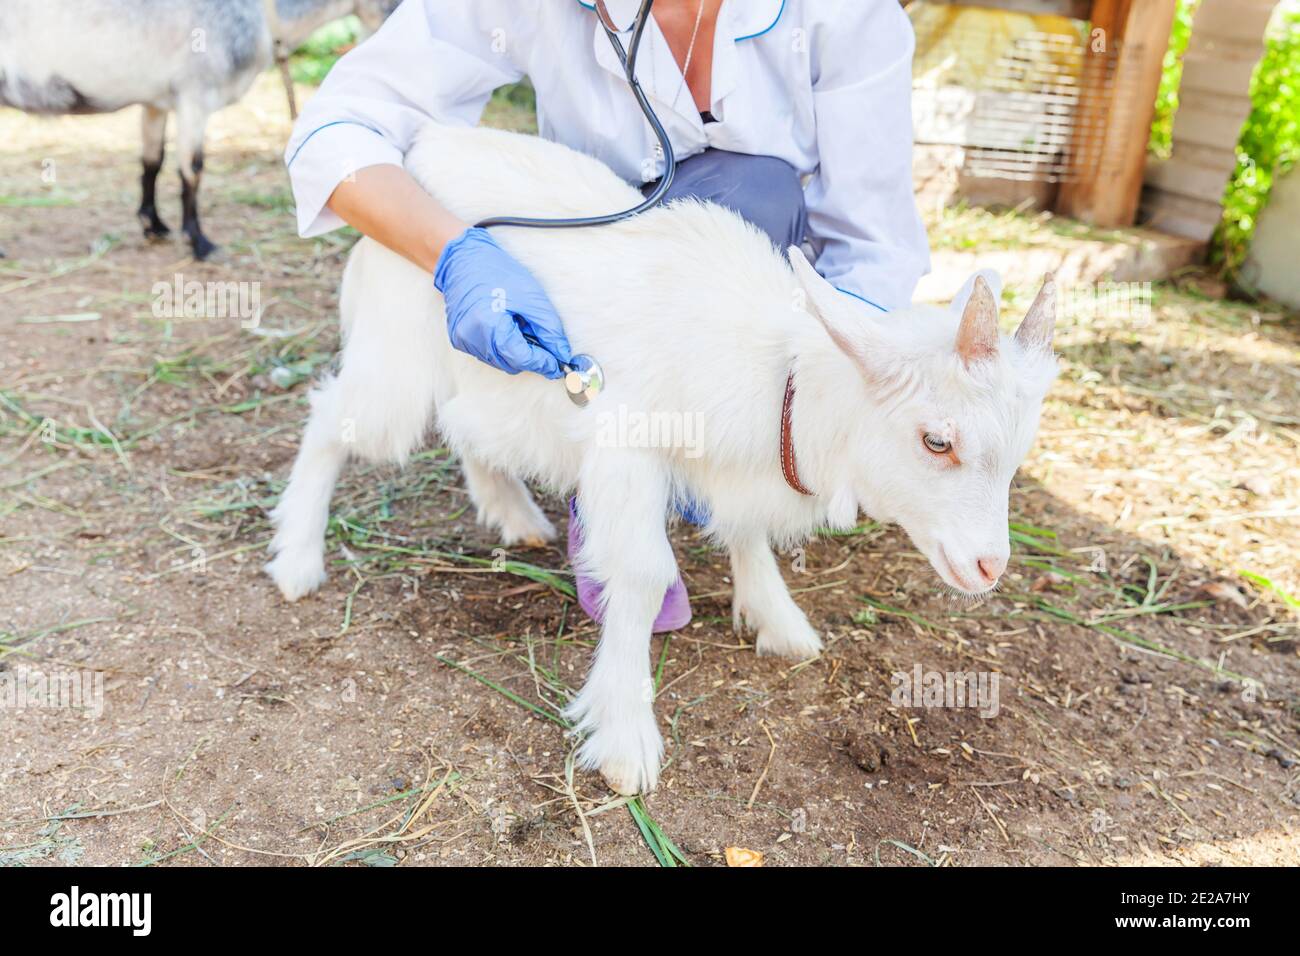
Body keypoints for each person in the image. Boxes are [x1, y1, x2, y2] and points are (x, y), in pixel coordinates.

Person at [284, 0, 930, 631]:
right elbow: (338, 129)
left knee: (755, 189)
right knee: (394, 409)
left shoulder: (849, 16)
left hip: (755, 275)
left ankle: (698, 483)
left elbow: (872, 251)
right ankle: (607, 482)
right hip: (594, 273)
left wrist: (815, 411)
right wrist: (453, 252)